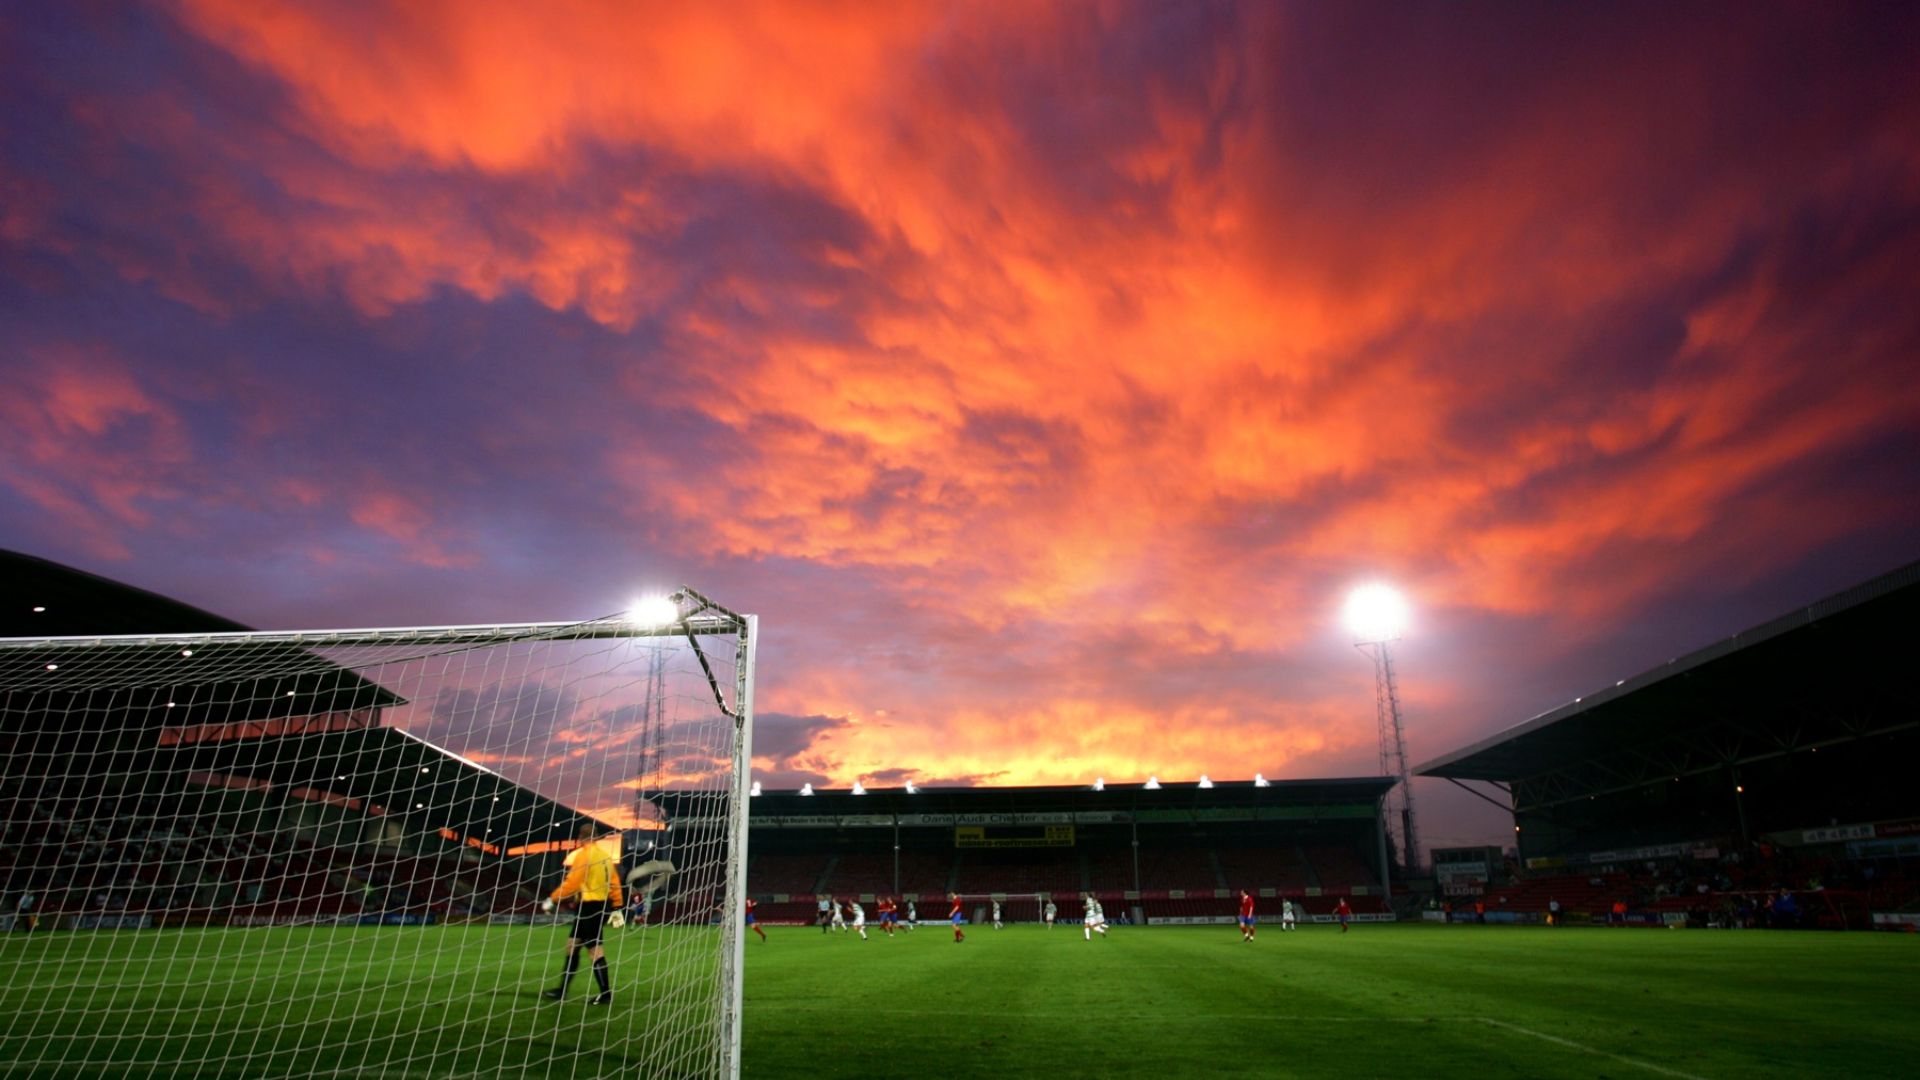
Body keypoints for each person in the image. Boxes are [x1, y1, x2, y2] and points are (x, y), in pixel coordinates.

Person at [541, 823, 624, 1005]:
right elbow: (615, 883)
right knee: (572, 946)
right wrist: (617, 906)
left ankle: (605, 994)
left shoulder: (585, 855)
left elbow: (572, 882)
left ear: (581, 838)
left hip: (589, 906)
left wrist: (553, 899)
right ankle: (562, 990)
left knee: (595, 950)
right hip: (600, 906)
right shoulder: (605, 857)